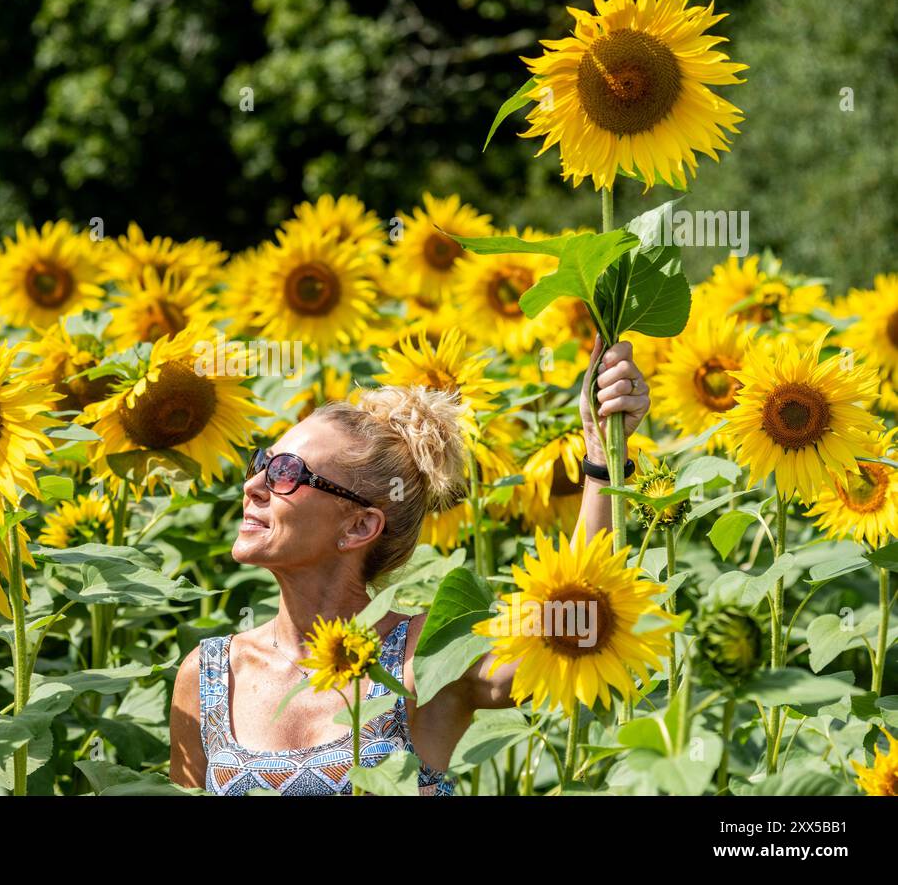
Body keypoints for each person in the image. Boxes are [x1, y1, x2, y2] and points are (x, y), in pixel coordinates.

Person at [168, 337, 651, 794]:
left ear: (358, 527)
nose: (254, 485)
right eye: (262, 463)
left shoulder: (425, 658)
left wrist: (600, 454)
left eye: (287, 473)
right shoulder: (211, 674)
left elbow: (571, 628)